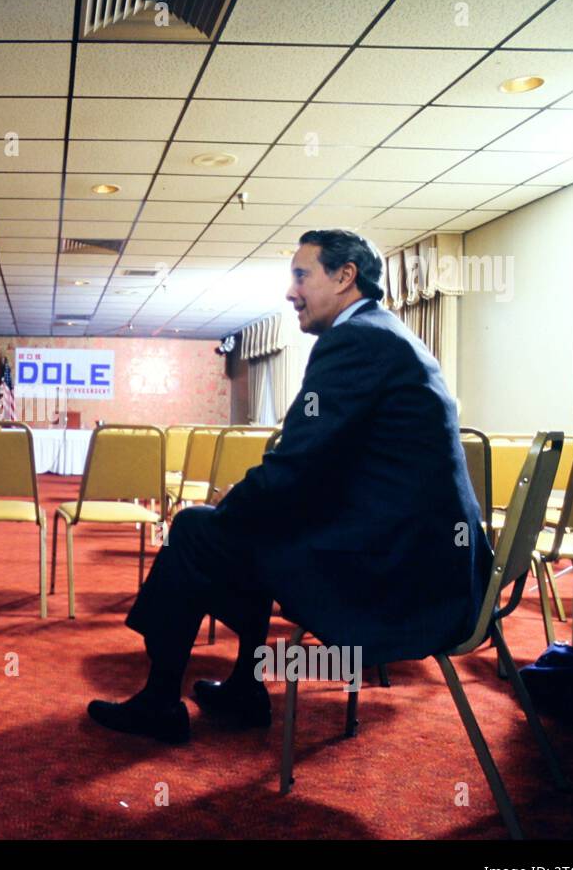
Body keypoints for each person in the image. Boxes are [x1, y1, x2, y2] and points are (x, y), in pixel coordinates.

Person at [88, 229, 492, 744]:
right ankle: (244, 686)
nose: (290, 291)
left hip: (398, 575)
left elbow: (297, 465)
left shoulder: (356, 340)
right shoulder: (386, 333)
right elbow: (320, 464)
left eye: (302, 275)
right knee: (249, 529)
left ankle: (161, 702)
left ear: (346, 277)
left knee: (194, 530)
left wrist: (226, 509)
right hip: (429, 561)